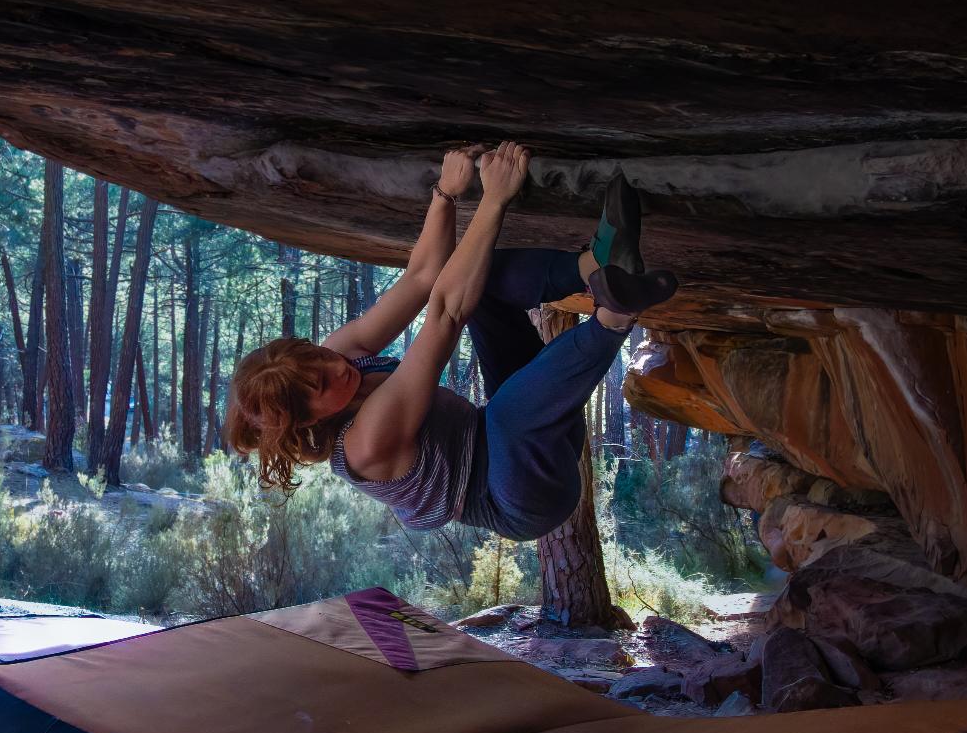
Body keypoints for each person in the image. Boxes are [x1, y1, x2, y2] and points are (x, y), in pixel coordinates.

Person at [225, 142, 677, 541]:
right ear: (311, 420)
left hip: (523, 428)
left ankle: (596, 264)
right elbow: (444, 313)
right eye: (322, 387)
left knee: (480, 286)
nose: (336, 369)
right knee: (504, 411)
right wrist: (495, 197)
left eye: (319, 359)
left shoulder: (343, 356)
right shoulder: (364, 445)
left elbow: (422, 277)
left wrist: (445, 194)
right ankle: (616, 313)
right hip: (518, 498)